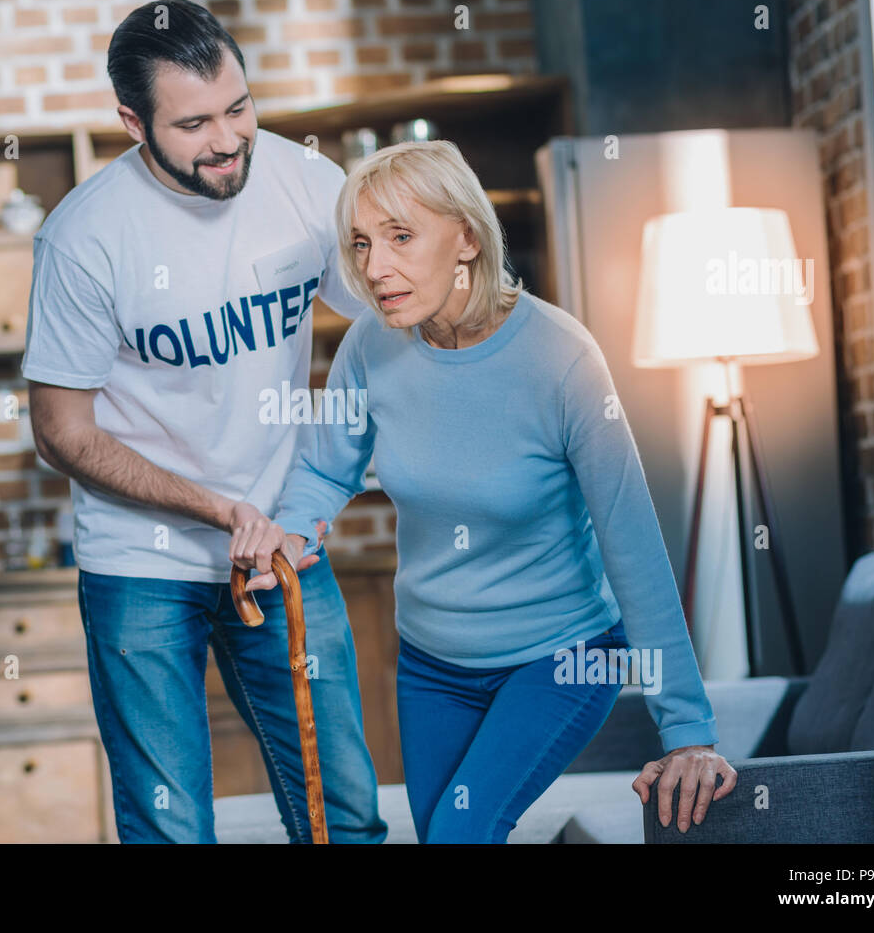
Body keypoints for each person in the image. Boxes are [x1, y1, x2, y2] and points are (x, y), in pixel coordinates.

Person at [228, 139, 738, 843]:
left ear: (466, 236)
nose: (375, 270)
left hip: (561, 655)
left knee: (458, 835)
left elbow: (634, 545)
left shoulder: (562, 360)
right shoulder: (371, 348)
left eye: (401, 237)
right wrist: (293, 527)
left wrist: (687, 730)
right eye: (362, 244)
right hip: (431, 663)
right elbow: (323, 469)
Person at [22, 0, 388, 844]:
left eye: (239, 107)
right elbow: (61, 434)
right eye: (192, 124)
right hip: (138, 563)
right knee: (170, 828)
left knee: (346, 812)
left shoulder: (306, 184)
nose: (227, 140)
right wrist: (221, 510)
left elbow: (388, 320)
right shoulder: (84, 240)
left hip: (284, 546)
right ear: (131, 122)